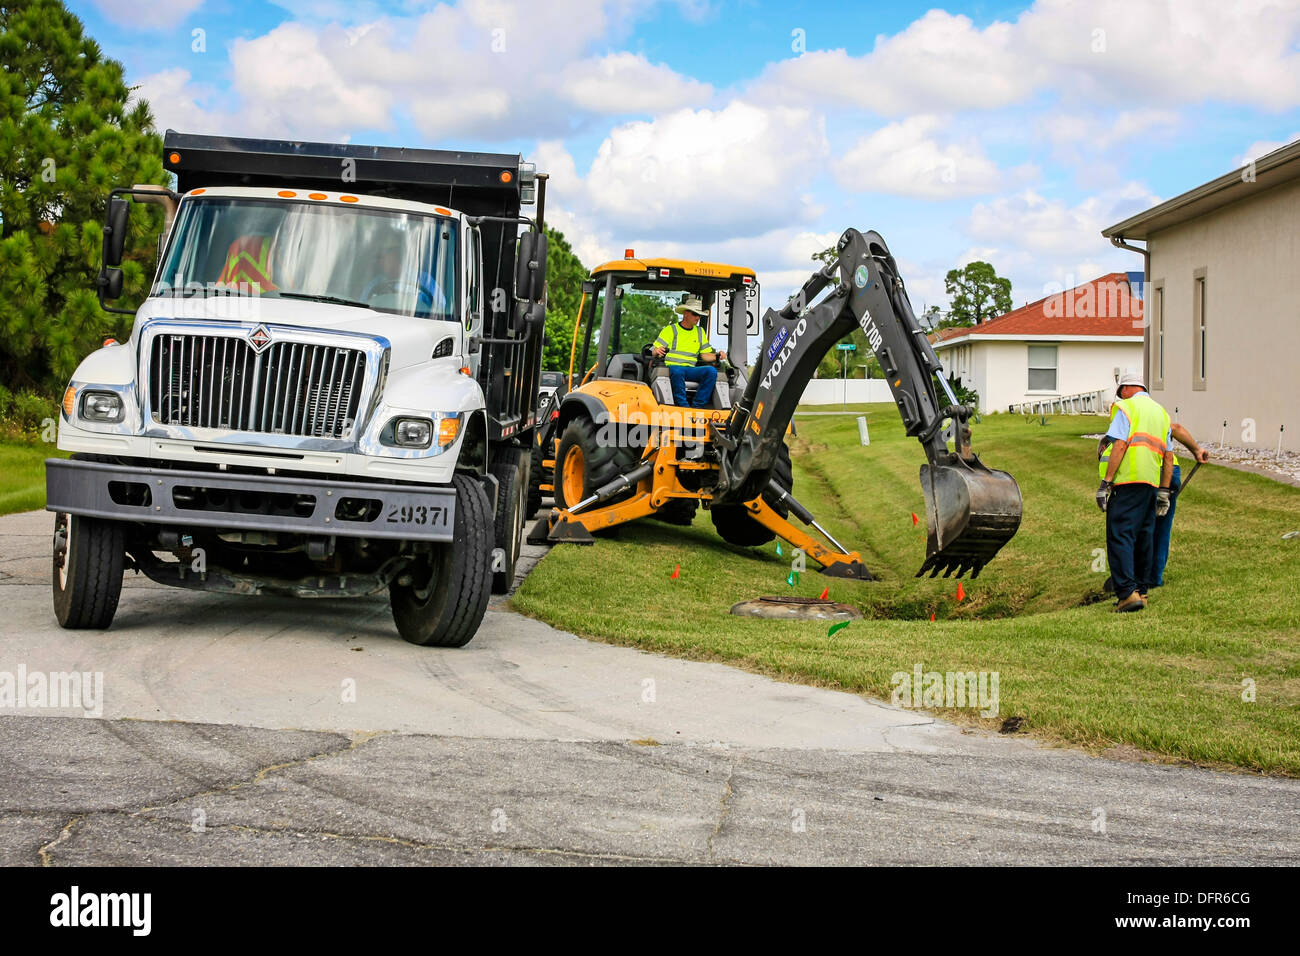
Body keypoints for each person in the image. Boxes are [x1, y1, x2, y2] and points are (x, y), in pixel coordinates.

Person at [1095, 368, 1174, 612]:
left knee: (1121, 536)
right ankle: (1142, 591)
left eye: (1121, 392)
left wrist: (1106, 482)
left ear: (1127, 388)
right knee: (1143, 538)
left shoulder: (1127, 409)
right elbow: (1169, 457)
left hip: (1127, 483)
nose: (1121, 396)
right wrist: (1163, 491)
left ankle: (1128, 594)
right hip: (1150, 484)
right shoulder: (1161, 413)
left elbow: (1120, 444)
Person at [1099, 421, 1210, 590]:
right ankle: (1153, 578)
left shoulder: (1112, 451)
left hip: (1143, 478)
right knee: (1161, 527)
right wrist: (1197, 450)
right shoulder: (1152, 423)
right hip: (1170, 472)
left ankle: (1131, 577)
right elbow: (1177, 428)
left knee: (1134, 529)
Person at [652, 296, 727, 408]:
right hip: (674, 367)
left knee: (711, 371)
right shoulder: (671, 329)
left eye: (699, 315)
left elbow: (705, 355)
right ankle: (684, 406)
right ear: (686, 314)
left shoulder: (700, 332)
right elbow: (654, 351)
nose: (698, 317)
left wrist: (717, 356)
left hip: (691, 369)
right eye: (695, 314)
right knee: (678, 371)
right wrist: (657, 351)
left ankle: (698, 406)